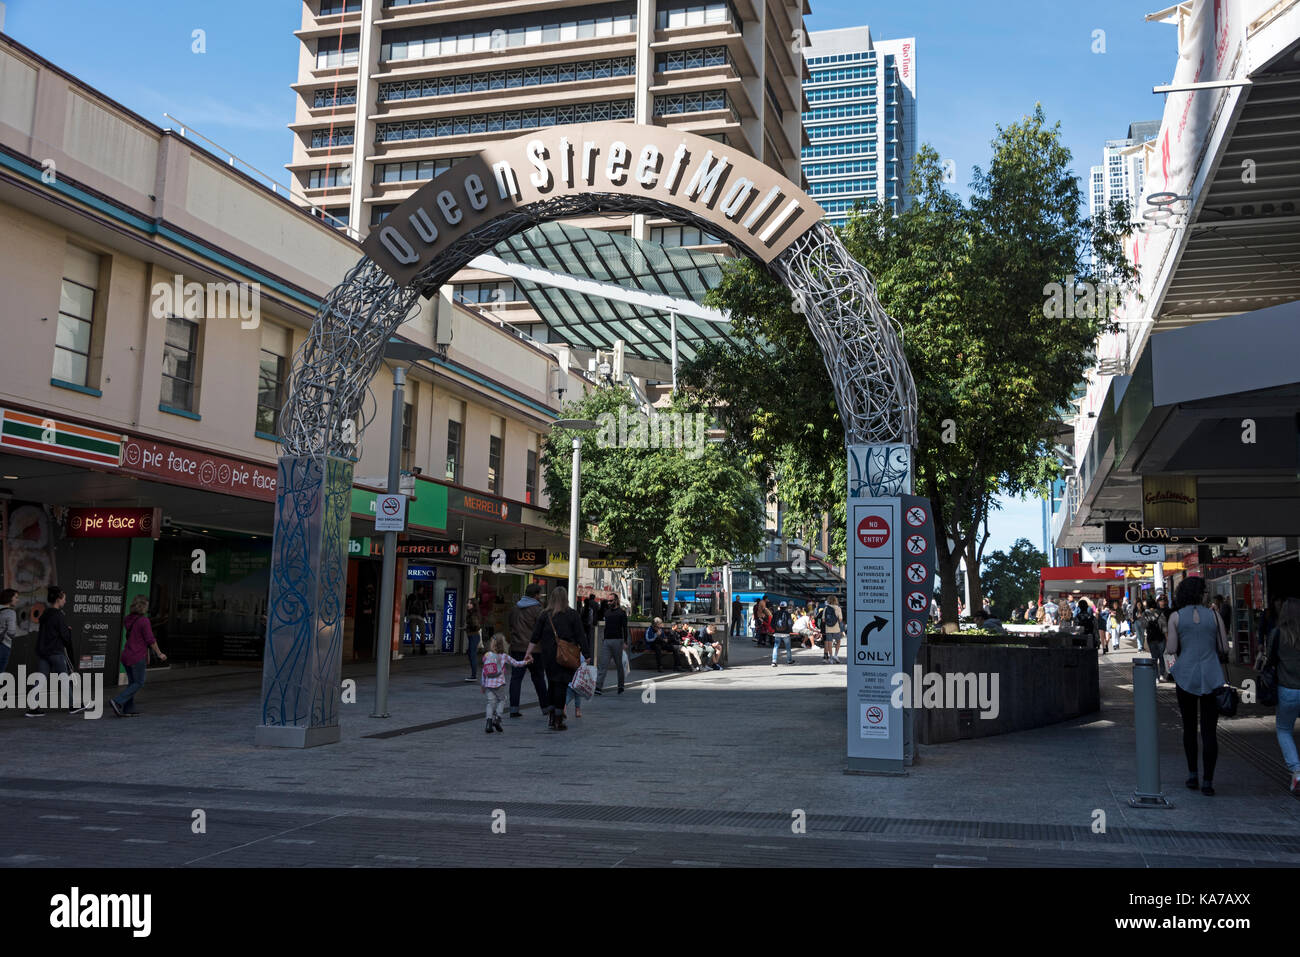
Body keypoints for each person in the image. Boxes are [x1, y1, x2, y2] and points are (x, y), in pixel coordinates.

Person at [1167, 575, 1229, 796]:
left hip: (1186, 676)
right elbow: (1225, 648)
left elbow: (1172, 648)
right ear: (1200, 594)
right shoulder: (1214, 615)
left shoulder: (1175, 617)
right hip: (1212, 676)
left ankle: (1192, 774)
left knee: (1189, 728)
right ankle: (1208, 781)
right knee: (1210, 731)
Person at [525, 586, 589, 731]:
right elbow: (581, 635)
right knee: (561, 685)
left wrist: (528, 652)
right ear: (565, 598)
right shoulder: (572, 614)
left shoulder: (544, 615)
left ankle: (552, 716)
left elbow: (535, 636)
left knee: (552, 684)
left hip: (547, 656)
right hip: (565, 656)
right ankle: (558, 720)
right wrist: (587, 654)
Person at [111, 595, 168, 717]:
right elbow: (150, 640)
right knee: (139, 682)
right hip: (137, 656)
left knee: (132, 683)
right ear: (144, 606)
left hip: (126, 655)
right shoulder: (144, 621)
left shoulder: (128, 619)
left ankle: (128, 708)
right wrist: (159, 653)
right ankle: (117, 701)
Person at [27, 586, 77, 717]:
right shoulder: (58, 615)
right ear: (59, 599)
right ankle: (73, 706)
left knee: (40, 680)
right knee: (64, 679)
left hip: (43, 652)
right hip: (55, 652)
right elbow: (65, 637)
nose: (65, 601)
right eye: (64, 599)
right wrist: (68, 630)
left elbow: (49, 633)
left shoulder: (45, 614)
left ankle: (33, 708)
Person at [1268, 598, 1300, 792]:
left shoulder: (1278, 634)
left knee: (1284, 729)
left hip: (1287, 688)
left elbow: (1271, 660)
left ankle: (1296, 771)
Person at [506, 584, 548, 718]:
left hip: (517, 647)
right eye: (540, 594)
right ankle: (545, 707)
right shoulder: (538, 610)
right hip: (534, 649)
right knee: (539, 678)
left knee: (516, 678)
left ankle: (513, 708)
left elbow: (511, 625)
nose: (541, 596)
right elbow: (543, 629)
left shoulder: (515, 608)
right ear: (536, 595)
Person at [480, 633, 530, 733]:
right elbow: (516, 664)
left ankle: (488, 724)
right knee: (502, 700)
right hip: (499, 684)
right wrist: (526, 662)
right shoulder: (504, 656)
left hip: (489, 684)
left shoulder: (487, 655)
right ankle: (497, 718)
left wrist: (483, 684)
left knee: (490, 703)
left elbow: (484, 671)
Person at [594, 594, 628, 695]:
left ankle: (621, 686)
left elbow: (625, 628)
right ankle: (598, 687)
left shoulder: (622, 613)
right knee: (602, 665)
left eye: (611, 601)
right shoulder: (607, 612)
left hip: (618, 640)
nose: (609, 603)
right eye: (608, 601)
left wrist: (625, 642)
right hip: (607, 641)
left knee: (619, 665)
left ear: (616, 600)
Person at [1142, 597, 1169, 681]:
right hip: (1160, 638)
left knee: (1154, 658)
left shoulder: (1145, 614)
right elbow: (1164, 627)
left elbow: (1143, 626)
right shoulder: (1159, 613)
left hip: (1151, 638)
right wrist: (1167, 638)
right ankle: (1162, 674)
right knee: (1161, 657)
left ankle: (1156, 677)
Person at [771, 601, 795, 667]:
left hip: (777, 633)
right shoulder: (787, 614)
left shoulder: (776, 613)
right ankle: (789, 660)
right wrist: (789, 630)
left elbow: (772, 623)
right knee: (788, 648)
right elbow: (790, 623)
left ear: (780, 606)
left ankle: (774, 661)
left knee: (775, 647)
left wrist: (775, 629)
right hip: (786, 633)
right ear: (785, 607)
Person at [462, 596, 481, 681]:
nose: (468, 604)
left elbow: (476, 626)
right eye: (468, 603)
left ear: (474, 605)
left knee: (472, 655)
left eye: (470, 603)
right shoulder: (471, 613)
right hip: (472, 636)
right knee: (470, 654)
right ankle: (473, 675)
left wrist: (468, 627)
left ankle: (474, 676)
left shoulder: (473, 614)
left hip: (474, 636)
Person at [405, 588, 428, 656]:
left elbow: (407, 606)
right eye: (421, 589)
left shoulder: (411, 596)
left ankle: (414, 649)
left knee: (413, 633)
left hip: (412, 617)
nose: (422, 590)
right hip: (420, 617)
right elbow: (426, 606)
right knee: (423, 632)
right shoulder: (422, 596)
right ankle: (422, 648)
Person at [0, 587, 16, 677]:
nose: (17, 600)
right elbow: (11, 632)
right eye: (16, 597)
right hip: (4, 645)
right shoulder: (10, 613)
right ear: (9, 598)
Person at [822, 595, 843, 663]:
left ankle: (830, 658)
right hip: (836, 628)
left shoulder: (826, 608)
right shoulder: (838, 608)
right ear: (835, 600)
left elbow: (823, 620)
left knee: (829, 643)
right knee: (838, 641)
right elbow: (840, 619)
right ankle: (835, 655)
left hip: (828, 628)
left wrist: (829, 621)